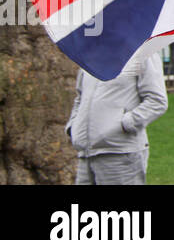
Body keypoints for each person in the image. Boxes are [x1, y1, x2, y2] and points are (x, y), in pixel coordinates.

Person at [67, 52, 168, 185]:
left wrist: (125, 124)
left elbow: (157, 101)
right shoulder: (92, 55)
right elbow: (80, 97)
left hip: (120, 154)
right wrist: (73, 127)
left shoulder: (142, 52)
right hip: (86, 154)